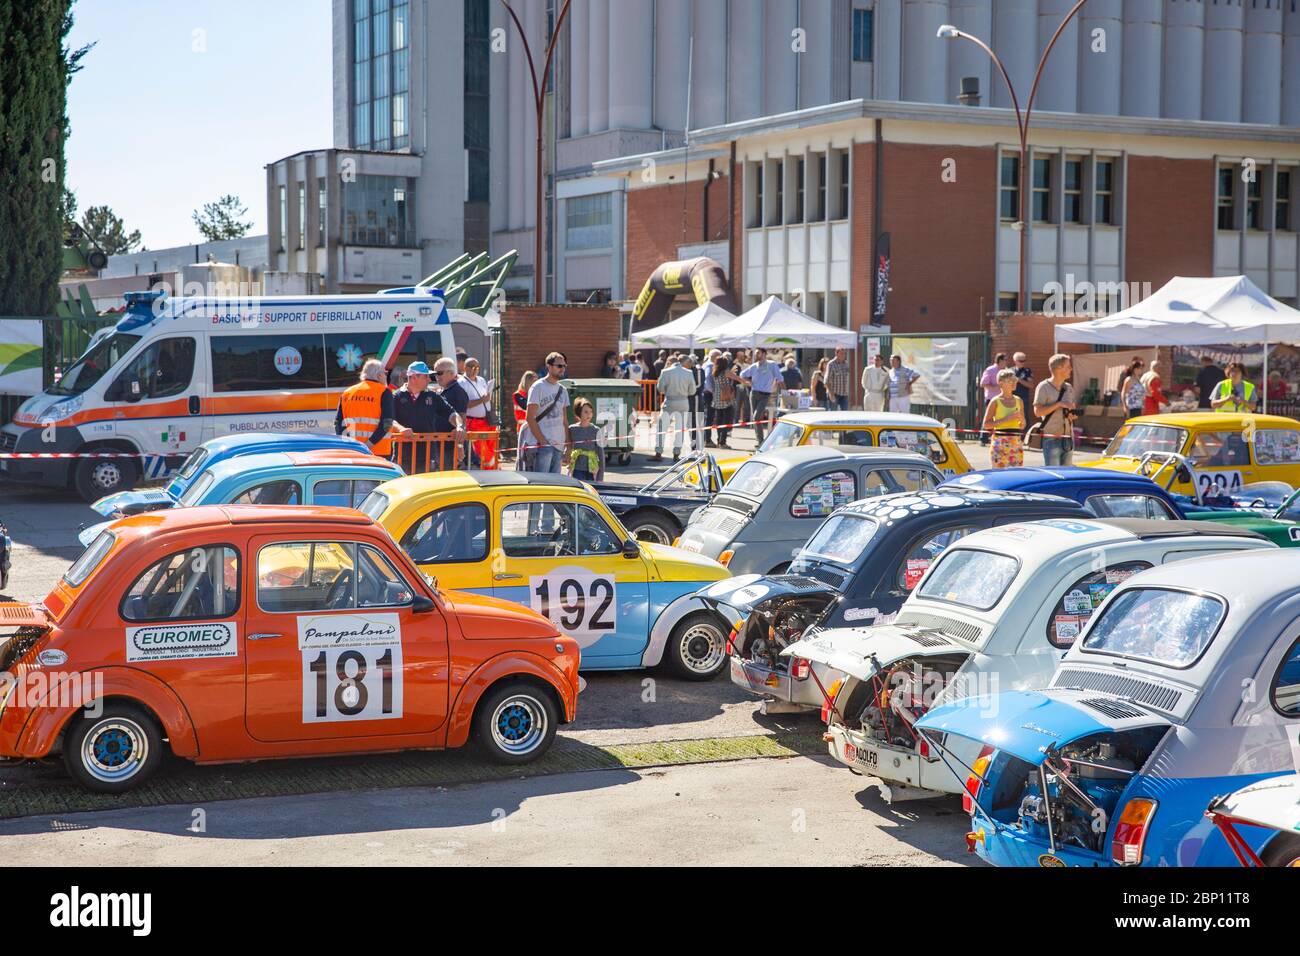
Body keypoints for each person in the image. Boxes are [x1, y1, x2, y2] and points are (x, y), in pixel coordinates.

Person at [392, 361, 465, 473]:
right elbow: (388, 420)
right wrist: (400, 429)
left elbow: (452, 413)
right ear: (414, 377)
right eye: (426, 376)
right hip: (403, 455)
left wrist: (459, 425)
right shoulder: (396, 396)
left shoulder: (433, 396)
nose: (430, 380)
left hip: (428, 456)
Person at [335, 358, 398, 457]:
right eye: (385, 374)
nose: (386, 376)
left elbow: (338, 422)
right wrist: (368, 445)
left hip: (353, 450)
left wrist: (348, 444)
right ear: (379, 375)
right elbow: (387, 423)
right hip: (378, 451)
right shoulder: (384, 392)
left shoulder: (347, 393)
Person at [525, 352, 572, 473]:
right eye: (559, 366)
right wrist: (543, 441)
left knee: (555, 485)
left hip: (559, 445)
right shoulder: (538, 387)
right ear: (549, 366)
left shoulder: (563, 390)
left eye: (564, 366)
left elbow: (564, 420)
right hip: (543, 445)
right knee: (541, 484)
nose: (562, 369)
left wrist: (568, 444)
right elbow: (530, 417)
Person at [1033, 353, 1076, 467]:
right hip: (1051, 439)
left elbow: (1070, 409)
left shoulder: (1069, 388)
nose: (1071, 369)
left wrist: (1072, 415)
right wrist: (1058, 404)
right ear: (1058, 368)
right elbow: (1038, 412)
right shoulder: (1043, 387)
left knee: (1068, 476)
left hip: (1068, 438)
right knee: (1054, 475)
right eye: (1068, 366)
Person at [654, 353, 697, 461]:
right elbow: (692, 391)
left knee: (662, 428)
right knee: (680, 429)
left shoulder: (665, 372)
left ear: (669, 362)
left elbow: (660, 389)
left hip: (670, 401)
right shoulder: (688, 372)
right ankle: (676, 454)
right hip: (683, 401)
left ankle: (658, 453)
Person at [431, 357, 470, 470]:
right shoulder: (444, 391)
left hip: (450, 446)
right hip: (441, 444)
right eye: (435, 373)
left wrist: (459, 446)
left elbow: (462, 422)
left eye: (440, 373)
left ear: (452, 373)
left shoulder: (458, 392)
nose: (437, 377)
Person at [983, 367, 1026, 469]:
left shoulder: (1018, 400)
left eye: (1015, 380)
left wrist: (1022, 420)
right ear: (1000, 383)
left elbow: (1023, 425)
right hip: (1000, 442)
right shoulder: (995, 401)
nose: (1014, 383)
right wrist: (1007, 418)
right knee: (999, 475)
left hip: (1015, 441)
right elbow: (986, 424)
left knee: (1016, 475)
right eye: (1010, 381)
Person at [459, 356, 497, 469]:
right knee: (480, 451)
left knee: (491, 450)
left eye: (477, 367)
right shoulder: (461, 383)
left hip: (486, 421)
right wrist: (482, 400)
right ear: (465, 367)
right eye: (471, 367)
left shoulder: (481, 380)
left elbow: (486, 398)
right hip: (473, 423)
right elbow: (464, 405)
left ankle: (492, 471)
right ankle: (483, 471)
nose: (475, 369)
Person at [741, 347, 782, 443]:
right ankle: (759, 440)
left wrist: (775, 384)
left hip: (765, 395)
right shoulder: (754, 366)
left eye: (758, 353)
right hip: (754, 393)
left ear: (764, 354)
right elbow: (742, 374)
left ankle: (761, 441)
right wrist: (748, 381)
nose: (756, 355)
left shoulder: (772, 365)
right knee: (756, 419)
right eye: (755, 353)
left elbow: (780, 378)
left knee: (756, 416)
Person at [567, 398, 605, 482]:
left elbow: (601, 454)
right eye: (586, 412)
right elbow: (568, 447)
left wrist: (600, 477)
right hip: (577, 469)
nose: (589, 415)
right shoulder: (572, 429)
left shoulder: (596, 430)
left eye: (591, 412)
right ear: (579, 412)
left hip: (592, 470)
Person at [711, 354, 743, 448]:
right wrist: (746, 382)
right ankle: (723, 442)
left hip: (717, 397)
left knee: (719, 420)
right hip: (726, 398)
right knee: (726, 420)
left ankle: (719, 440)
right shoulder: (725, 372)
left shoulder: (715, 372)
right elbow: (738, 378)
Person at [978, 353, 1008, 444]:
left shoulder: (1006, 371)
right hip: (991, 398)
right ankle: (983, 438)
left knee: (1001, 417)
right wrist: (995, 387)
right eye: (1005, 360)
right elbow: (983, 383)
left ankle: (999, 437)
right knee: (989, 417)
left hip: (1003, 398)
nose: (1007, 362)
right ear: (1000, 360)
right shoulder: (990, 370)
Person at [513, 370, 537, 470]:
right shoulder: (518, 395)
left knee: (532, 456)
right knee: (522, 455)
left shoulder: (533, 395)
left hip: (533, 428)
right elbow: (526, 406)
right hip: (523, 429)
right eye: (534, 381)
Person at [825, 347, 852, 412]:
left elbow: (848, 377)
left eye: (844, 354)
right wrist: (831, 394)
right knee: (833, 413)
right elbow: (826, 381)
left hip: (844, 394)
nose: (843, 355)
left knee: (845, 414)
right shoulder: (831, 364)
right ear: (836, 354)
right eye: (841, 353)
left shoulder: (846, 364)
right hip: (834, 394)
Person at [1012, 352, 1035, 424]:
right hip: (1011, 398)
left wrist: (1019, 380)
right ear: (1015, 361)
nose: (1023, 363)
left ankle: (1024, 434)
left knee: (1024, 417)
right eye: (1021, 361)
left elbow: (1031, 385)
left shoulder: (1027, 371)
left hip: (1023, 398)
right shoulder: (1010, 371)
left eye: (1024, 361)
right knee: (1012, 416)